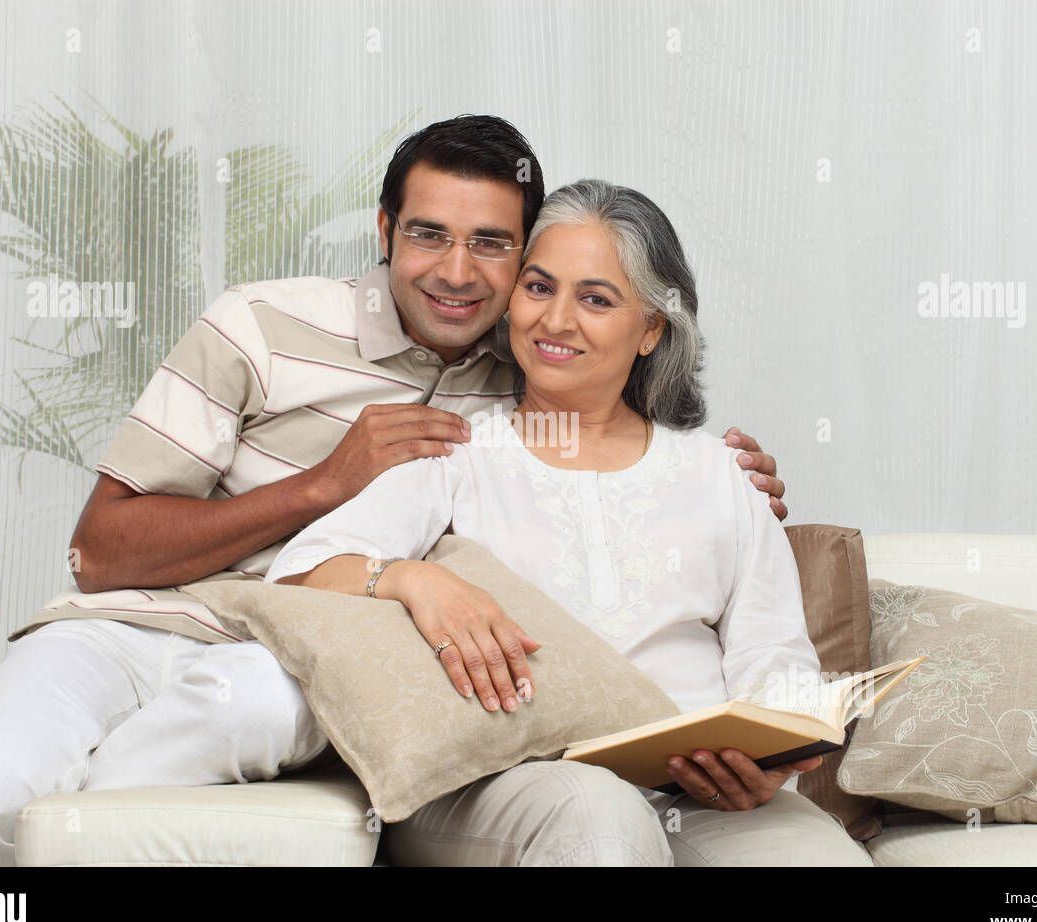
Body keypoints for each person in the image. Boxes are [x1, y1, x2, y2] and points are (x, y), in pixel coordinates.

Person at [0, 115, 789, 867]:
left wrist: (730, 480)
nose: (456, 271)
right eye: (428, 234)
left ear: (525, 258)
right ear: (384, 229)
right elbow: (101, 551)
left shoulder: (527, 363)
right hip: (139, 624)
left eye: (491, 245)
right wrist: (323, 485)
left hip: (291, 657)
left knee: (253, 703)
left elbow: (615, 442)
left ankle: (58, 840)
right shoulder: (259, 323)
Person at [267, 179, 873, 866]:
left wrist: (771, 756)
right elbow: (299, 573)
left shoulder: (719, 475)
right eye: (538, 287)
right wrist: (412, 580)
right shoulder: (456, 454)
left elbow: (773, 652)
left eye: (595, 298)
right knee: (600, 822)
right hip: (502, 781)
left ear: (652, 328)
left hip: (695, 789)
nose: (555, 321)